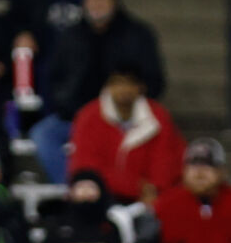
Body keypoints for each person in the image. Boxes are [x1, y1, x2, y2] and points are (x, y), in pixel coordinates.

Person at [33, 0, 165, 184]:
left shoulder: (138, 34)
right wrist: (65, 106)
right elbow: (52, 79)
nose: (96, 3)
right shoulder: (70, 36)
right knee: (43, 134)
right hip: (75, 116)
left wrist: (128, 102)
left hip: (124, 117)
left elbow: (155, 81)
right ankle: (76, 189)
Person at [67, 66, 184, 206]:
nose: (124, 88)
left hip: (151, 199)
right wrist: (135, 187)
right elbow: (85, 167)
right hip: (102, 198)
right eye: (117, 83)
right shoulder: (88, 116)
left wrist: (155, 189)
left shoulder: (159, 116)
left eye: (130, 83)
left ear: (141, 87)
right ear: (107, 87)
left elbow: (166, 161)